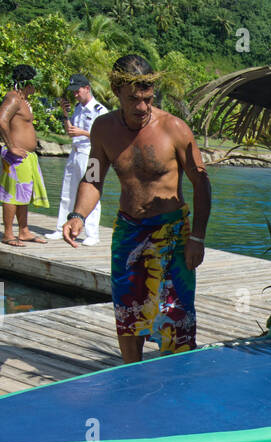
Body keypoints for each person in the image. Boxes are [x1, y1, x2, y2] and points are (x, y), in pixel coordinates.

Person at [62, 54, 211, 362]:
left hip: (172, 232)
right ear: (117, 93)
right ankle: (132, 375)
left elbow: (202, 183)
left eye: (147, 98)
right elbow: (93, 178)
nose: (142, 107)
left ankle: (178, 378)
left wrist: (197, 237)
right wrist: (78, 215)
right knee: (128, 313)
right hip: (129, 230)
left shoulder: (174, 128)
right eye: (133, 99)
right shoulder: (103, 129)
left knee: (176, 314)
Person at [46, 74, 108, 245]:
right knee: (68, 191)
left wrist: (82, 133)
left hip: (91, 153)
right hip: (75, 152)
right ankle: (61, 228)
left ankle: (92, 234)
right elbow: (69, 130)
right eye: (73, 92)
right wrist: (65, 114)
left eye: (77, 91)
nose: (75, 95)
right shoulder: (78, 109)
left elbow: (104, 136)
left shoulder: (99, 111)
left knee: (91, 192)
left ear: (87, 89)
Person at [0, 64, 49, 246]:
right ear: (27, 83)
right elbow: (1, 120)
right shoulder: (13, 98)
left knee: (23, 194)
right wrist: (11, 146)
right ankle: (8, 234)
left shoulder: (23, 100)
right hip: (15, 156)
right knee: (12, 194)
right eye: (34, 83)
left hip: (26, 156)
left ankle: (23, 231)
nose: (36, 87)